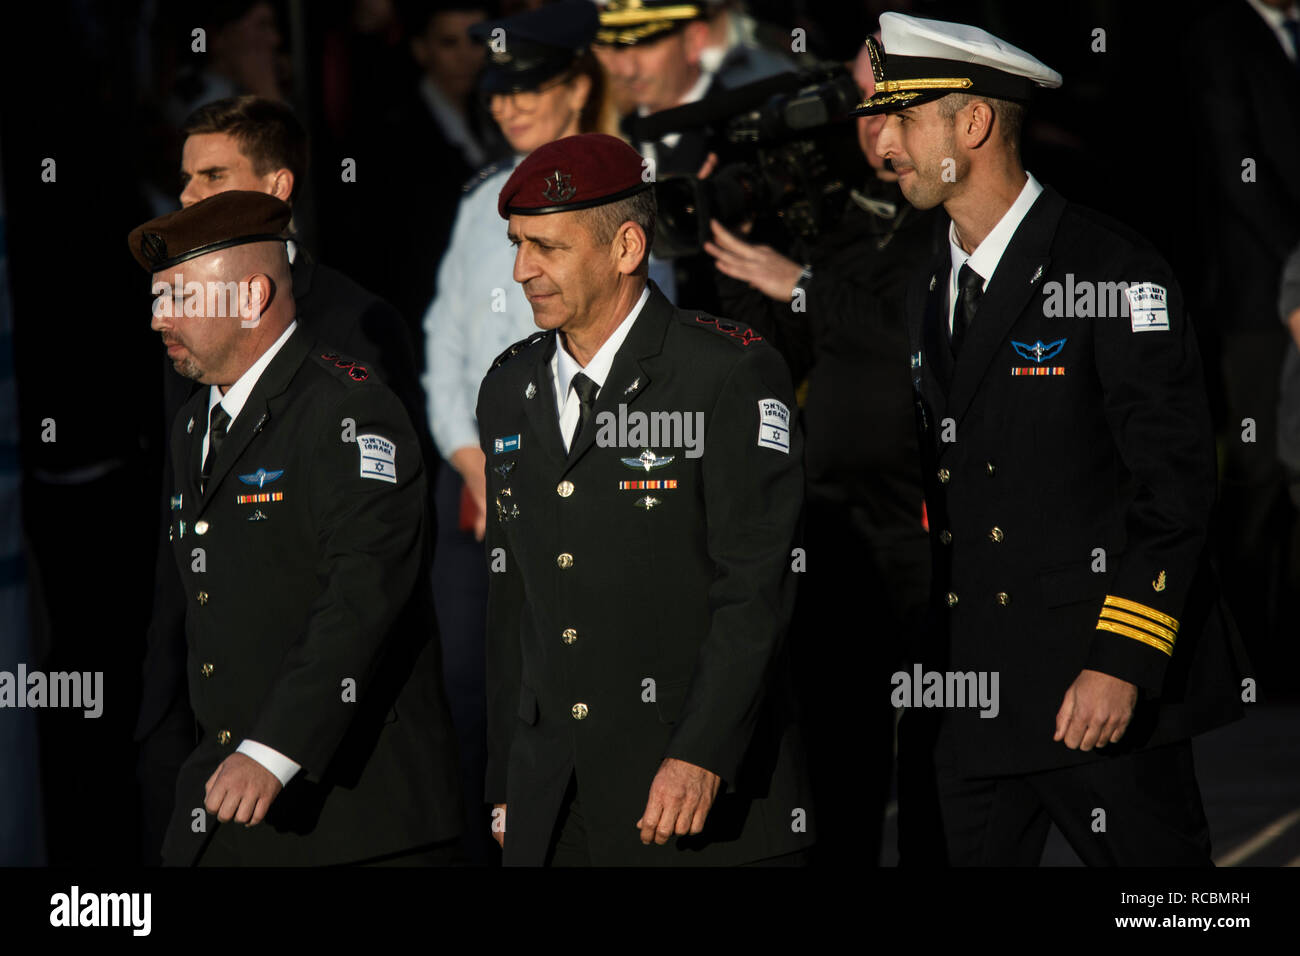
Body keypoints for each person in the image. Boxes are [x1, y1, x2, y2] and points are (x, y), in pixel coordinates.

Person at [861, 12, 1250, 865]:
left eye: (905, 117)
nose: (884, 141)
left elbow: (1175, 488)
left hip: (1093, 690)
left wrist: (1124, 659)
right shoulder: (932, 275)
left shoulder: (1112, 271)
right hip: (970, 694)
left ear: (972, 124)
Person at [478, 133, 814, 866]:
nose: (520, 270)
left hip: (695, 799)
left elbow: (756, 587)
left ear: (627, 247)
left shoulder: (726, 371)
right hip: (554, 796)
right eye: (516, 244)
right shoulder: (508, 386)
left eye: (547, 247)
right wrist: (507, 772)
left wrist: (702, 752)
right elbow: (514, 601)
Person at [135, 94, 432, 866]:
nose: (159, 320)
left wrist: (273, 747)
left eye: (180, 297)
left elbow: (364, 588)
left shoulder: (354, 401)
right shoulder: (192, 421)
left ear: (254, 296)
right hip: (216, 780)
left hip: (345, 810)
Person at [702, 39, 940, 866]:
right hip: (838, 525)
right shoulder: (842, 224)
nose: (876, 133)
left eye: (895, 112)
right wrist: (734, 250)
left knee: (942, 760)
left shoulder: (961, 224)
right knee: (840, 751)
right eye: (866, 112)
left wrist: (798, 282)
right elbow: (769, 358)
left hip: (931, 524)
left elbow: (916, 336)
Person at [421, 0, 611, 864]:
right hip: (479, 501)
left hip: (590, 498)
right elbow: (445, 355)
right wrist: (475, 471)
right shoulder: (476, 205)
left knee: (588, 698)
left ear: (578, 84)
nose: (508, 106)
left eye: (530, 86)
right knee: (473, 700)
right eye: (498, 90)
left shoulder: (622, 192)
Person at [1185, 0, 1300, 675]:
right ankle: (1253, 646)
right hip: (1259, 295)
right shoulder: (1219, 35)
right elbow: (1238, 173)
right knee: (1259, 470)